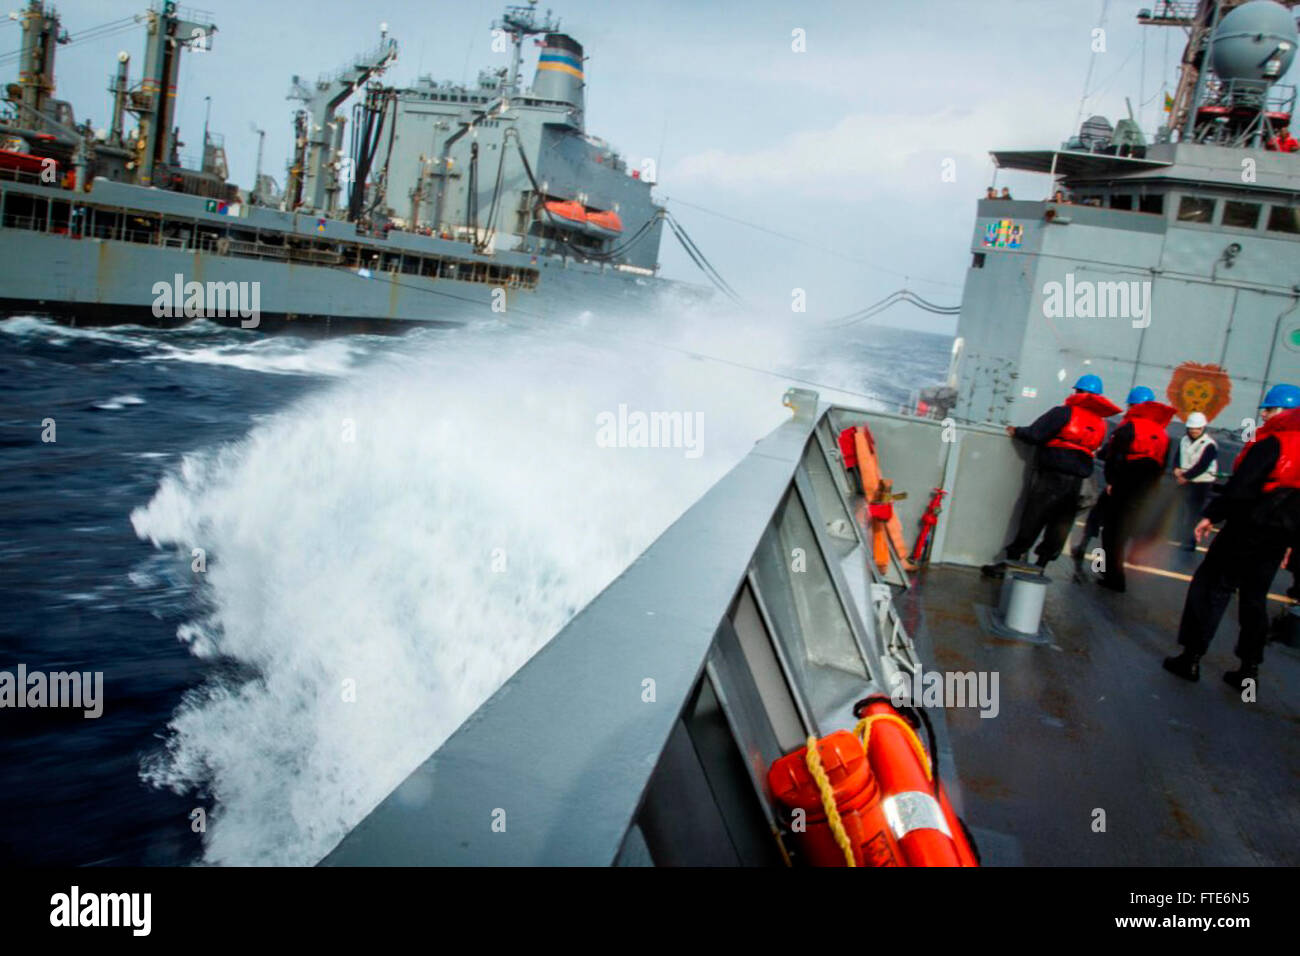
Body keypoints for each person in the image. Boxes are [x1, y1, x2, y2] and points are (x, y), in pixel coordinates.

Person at [1164, 384, 1300, 688]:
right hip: (1278, 536)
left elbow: (1242, 487)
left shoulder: (1270, 443)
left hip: (1246, 529)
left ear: (1281, 412)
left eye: (1268, 409)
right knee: (1254, 598)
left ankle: (1191, 658)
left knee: (1212, 586)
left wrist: (1212, 514)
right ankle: (1249, 670)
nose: (1263, 414)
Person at [982, 374, 1122, 576]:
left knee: (1033, 517)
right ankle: (1041, 565)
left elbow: (1035, 434)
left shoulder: (1064, 413)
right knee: (1060, 524)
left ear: (1079, 393)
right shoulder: (1101, 424)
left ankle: (1010, 562)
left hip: (1052, 476)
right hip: (1076, 482)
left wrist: (1016, 431)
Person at [1094, 386, 1177, 592]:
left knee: (1111, 533)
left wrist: (1111, 481)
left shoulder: (1127, 427)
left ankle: (1112, 576)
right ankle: (1115, 569)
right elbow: (1162, 465)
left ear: (1132, 405)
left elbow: (1115, 457)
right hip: (1145, 488)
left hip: (1124, 485)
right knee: (1125, 529)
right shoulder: (1163, 434)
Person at [1173, 411, 1217, 549]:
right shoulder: (1184, 440)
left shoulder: (1209, 444)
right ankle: (1179, 534)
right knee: (1179, 508)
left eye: (1197, 428)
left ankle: (1190, 541)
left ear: (1203, 428)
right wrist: (1177, 469)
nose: (1194, 431)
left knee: (1194, 512)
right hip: (1184, 479)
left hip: (1201, 482)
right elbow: (1177, 457)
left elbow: (1202, 465)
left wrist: (1185, 477)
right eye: (1192, 428)